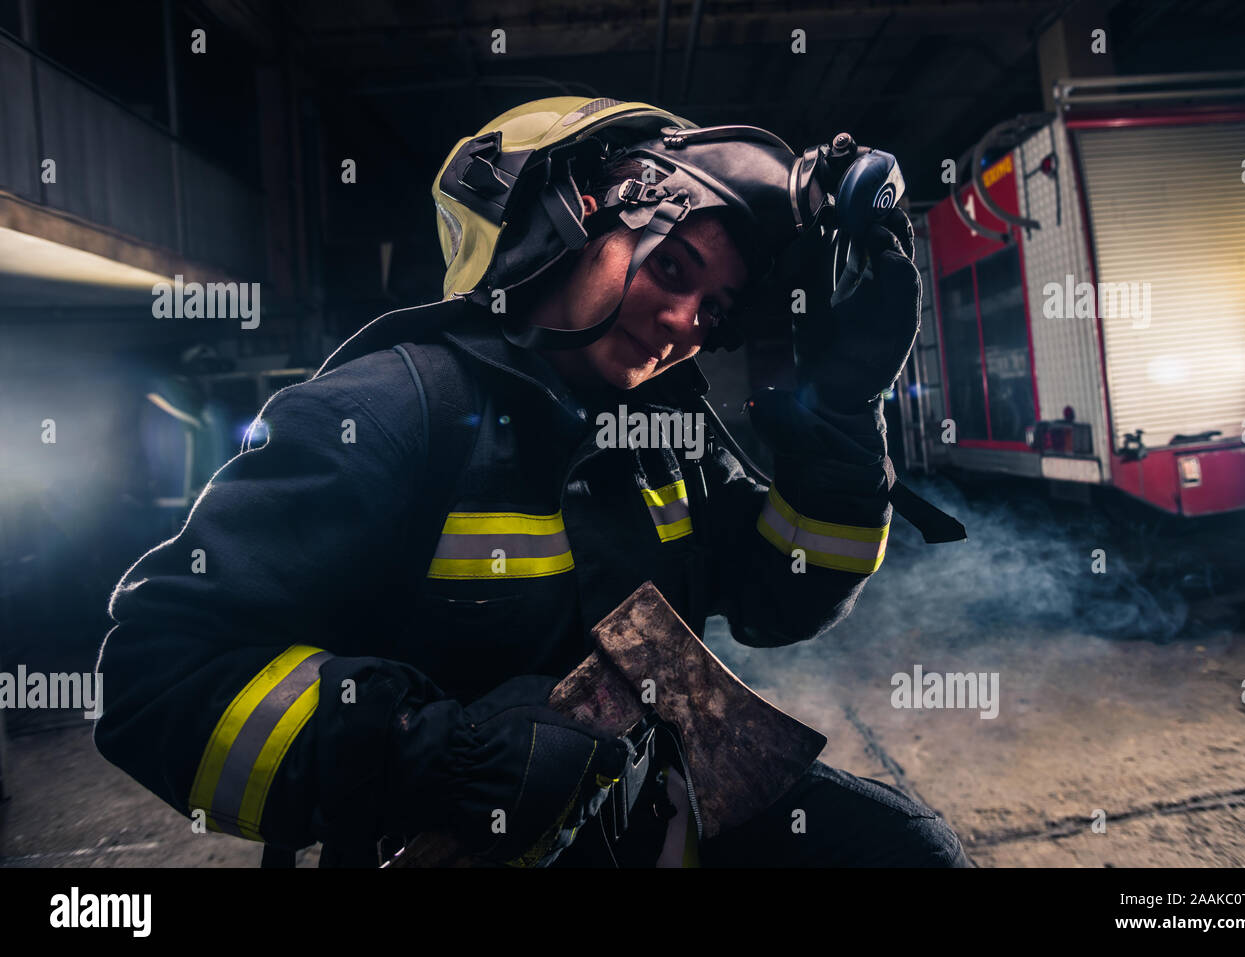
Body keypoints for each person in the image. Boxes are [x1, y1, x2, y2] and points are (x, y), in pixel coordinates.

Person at [94, 97, 971, 867]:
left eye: (714, 312)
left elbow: (788, 594)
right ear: (564, 218)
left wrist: (846, 410)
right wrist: (436, 755)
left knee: (904, 852)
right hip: (458, 841)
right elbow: (155, 677)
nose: (682, 323)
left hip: (649, 825)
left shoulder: (663, 437)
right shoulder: (392, 410)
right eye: (671, 266)